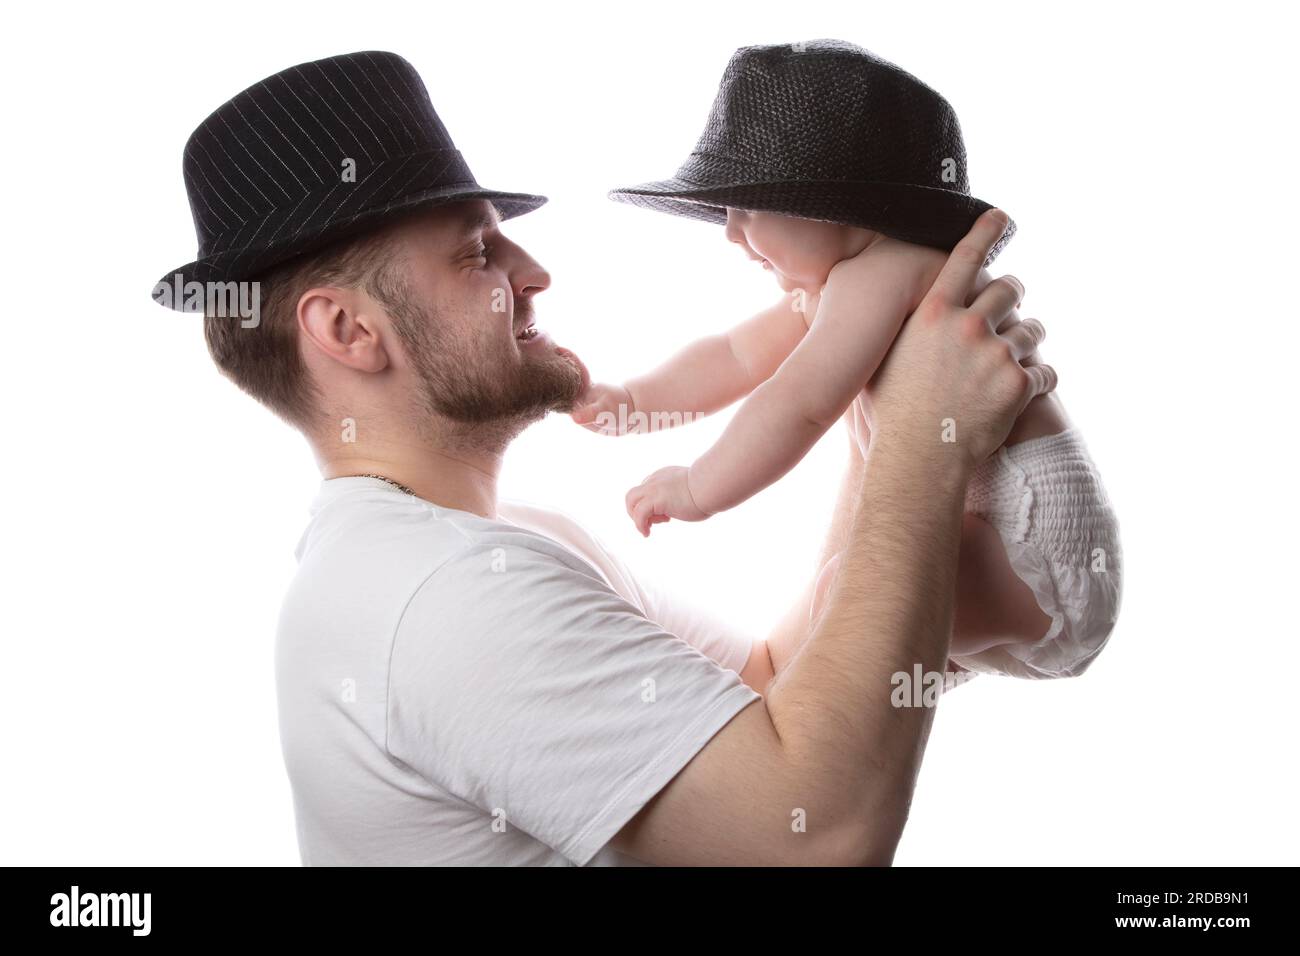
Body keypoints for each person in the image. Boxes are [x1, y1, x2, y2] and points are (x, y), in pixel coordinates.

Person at [153, 52, 1056, 865]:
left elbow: (779, 688)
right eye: (476, 251)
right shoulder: (443, 597)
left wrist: (891, 380)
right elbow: (811, 842)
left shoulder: (496, 547)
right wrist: (923, 445)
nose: (533, 270)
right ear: (348, 331)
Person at [588, 40, 1122, 680]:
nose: (731, 232)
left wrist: (697, 488)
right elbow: (733, 356)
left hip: (1037, 552)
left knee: (849, 601)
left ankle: (789, 750)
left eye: (747, 207)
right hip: (1009, 563)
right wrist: (631, 402)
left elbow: (800, 403)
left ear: (836, 205)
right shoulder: (842, 287)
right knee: (849, 615)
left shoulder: (888, 271)